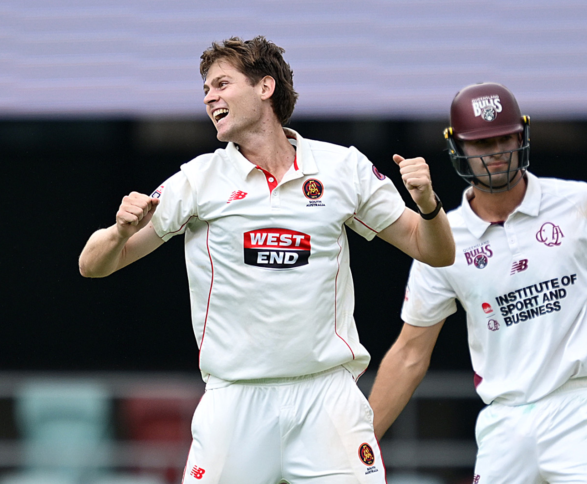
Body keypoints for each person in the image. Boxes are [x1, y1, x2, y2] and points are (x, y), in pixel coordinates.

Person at [78, 36, 455, 484]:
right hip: (235, 401)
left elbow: (435, 250)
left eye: (221, 84)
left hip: (326, 398)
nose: (209, 98)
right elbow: (94, 264)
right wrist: (120, 230)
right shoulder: (198, 180)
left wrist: (429, 205)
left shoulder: (342, 168)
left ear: (265, 87)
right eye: (205, 91)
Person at [367, 82, 587, 483]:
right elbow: (410, 354)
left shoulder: (580, 203)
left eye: (503, 138)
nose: (494, 152)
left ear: (521, 136)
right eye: (481, 143)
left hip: (586, 409)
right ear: (458, 148)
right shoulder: (444, 238)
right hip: (504, 419)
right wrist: (359, 445)